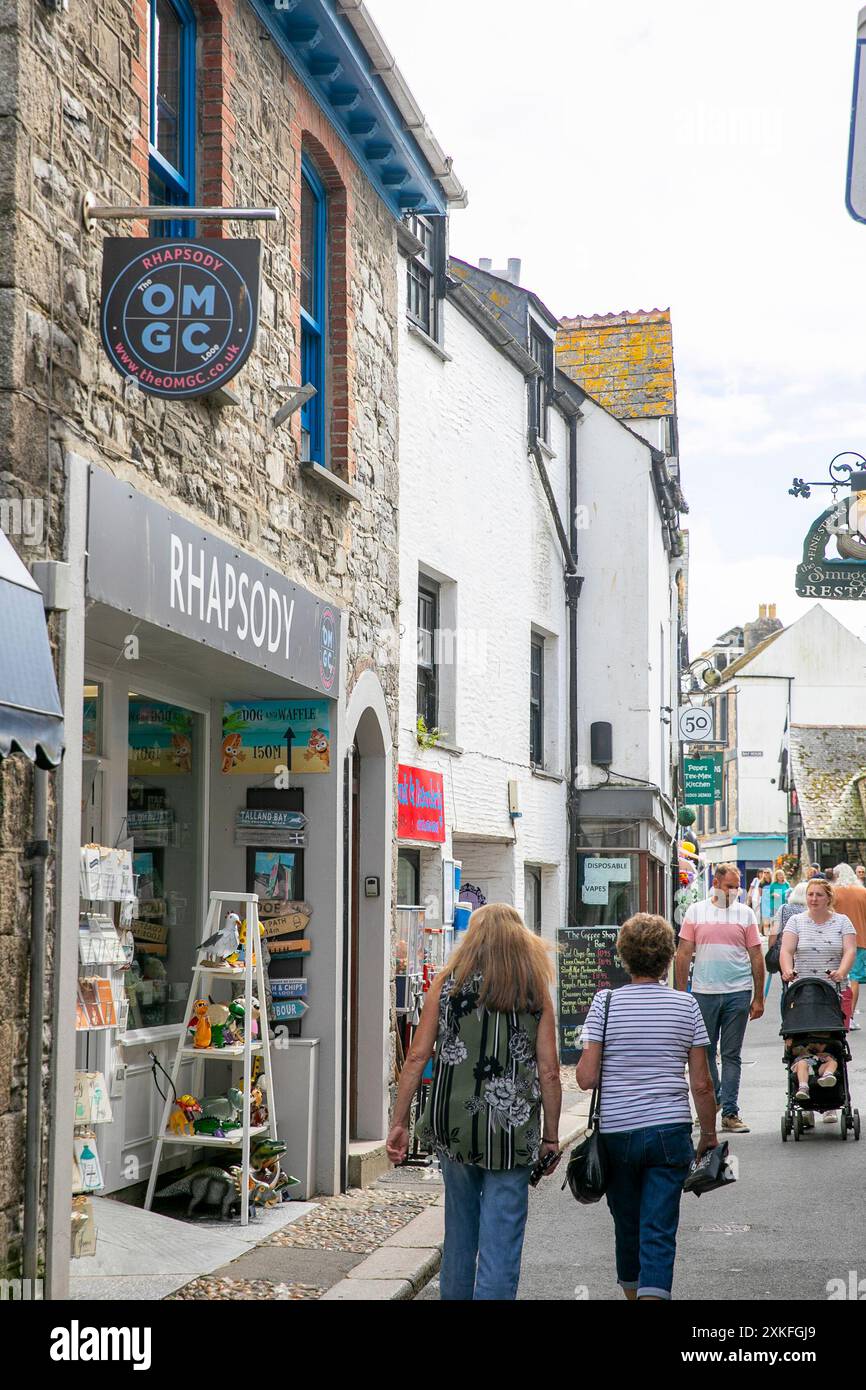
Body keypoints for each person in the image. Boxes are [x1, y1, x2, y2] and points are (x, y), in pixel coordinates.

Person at [385, 903, 561, 1301]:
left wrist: (399, 1122)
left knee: (459, 1231)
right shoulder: (534, 990)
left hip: (454, 1125)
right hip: (512, 1131)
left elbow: (417, 1056)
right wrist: (550, 1137)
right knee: (502, 1236)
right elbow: (550, 1070)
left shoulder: (447, 985)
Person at [576, 914, 716, 1303]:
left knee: (627, 1225)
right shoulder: (687, 1005)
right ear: (668, 957)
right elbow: (702, 1083)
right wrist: (708, 1133)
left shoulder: (604, 1003)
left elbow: (585, 1078)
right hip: (670, 1131)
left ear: (624, 956)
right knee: (659, 1227)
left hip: (617, 1132)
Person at [674, 863, 764, 1133]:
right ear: (715, 884)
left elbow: (756, 955)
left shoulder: (745, 914)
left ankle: (730, 1112)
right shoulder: (696, 911)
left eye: (737, 887)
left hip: (738, 992)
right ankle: (713, 1101)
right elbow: (683, 953)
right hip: (704, 992)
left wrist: (758, 996)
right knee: (705, 1052)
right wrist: (681, 994)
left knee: (731, 1054)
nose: (734, 891)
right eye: (729, 886)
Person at [780, 877, 857, 1124]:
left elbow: (850, 950)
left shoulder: (842, 922)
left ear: (828, 898)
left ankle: (832, 1100)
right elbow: (786, 950)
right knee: (801, 1041)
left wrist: (841, 972)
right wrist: (787, 970)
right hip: (803, 993)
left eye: (819, 895)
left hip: (834, 991)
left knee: (833, 1042)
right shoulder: (796, 921)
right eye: (810, 894)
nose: (813, 899)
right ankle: (806, 1105)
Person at [830, 864, 866, 1031]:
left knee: (834, 975)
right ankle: (849, 1016)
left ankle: (835, 1014)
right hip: (859, 939)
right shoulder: (862, 892)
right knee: (854, 978)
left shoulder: (833, 892)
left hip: (835, 939)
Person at [789, 1038, 837, 1103]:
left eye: (821, 1044)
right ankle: (803, 1088)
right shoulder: (802, 1051)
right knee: (802, 1063)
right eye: (815, 1043)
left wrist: (827, 1057)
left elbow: (831, 1060)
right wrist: (805, 1049)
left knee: (833, 1063)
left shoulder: (825, 1054)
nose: (817, 1045)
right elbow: (794, 1050)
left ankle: (827, 1075)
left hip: (819, 1067)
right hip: (803, 1068)